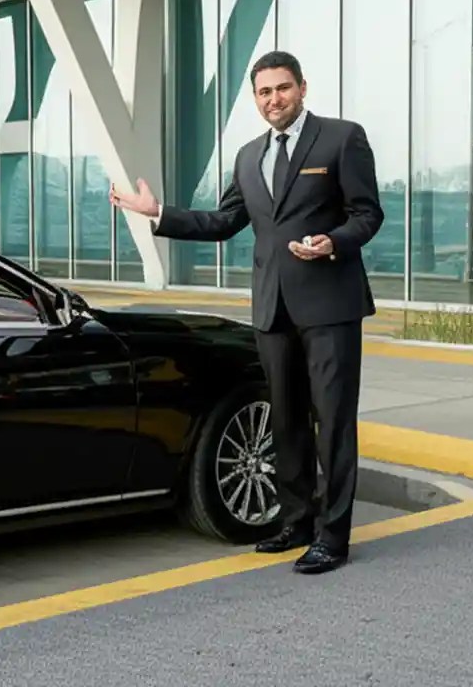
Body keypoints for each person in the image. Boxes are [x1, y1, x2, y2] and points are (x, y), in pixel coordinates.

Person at [109, 50, 383, 575]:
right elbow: (224, 221)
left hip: (330, 306)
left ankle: (334, 536)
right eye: (263, 92)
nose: (273, 99)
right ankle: (297, 520)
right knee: (285, 422)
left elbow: (368, 213)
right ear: (255, 98)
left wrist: (333, 242)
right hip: (272, 308)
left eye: (282, 88)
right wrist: (158, 213)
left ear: (302, 87)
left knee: (333, 423)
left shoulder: (341, 137)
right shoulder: (247, 155)